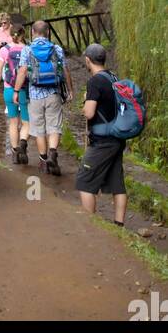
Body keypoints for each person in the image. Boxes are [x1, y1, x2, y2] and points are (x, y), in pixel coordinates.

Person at [76, 43, 127, 225]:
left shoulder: (95, 81)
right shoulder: (114, 78)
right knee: (117, 183)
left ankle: (92, 226)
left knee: (84, 180)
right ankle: (118, 224)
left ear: (88, 60)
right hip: (117, 138)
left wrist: (84, 105)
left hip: (102, 141)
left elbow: (89, 113)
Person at [13, 21, 73, 176]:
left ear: (33, 31)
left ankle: (43, 161)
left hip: (35, 94)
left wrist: (16, 90)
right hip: (54, 93)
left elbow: (22, 72)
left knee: (39, 130)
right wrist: (70, 90)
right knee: (54, 126)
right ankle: (53, 153)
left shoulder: (27, 49)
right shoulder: (57, 48)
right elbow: (65, 70)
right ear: (48, 32)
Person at [0, 24, 30, 163]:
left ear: (10, 35)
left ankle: (15, 153)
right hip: (24, 89)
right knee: (26, 122)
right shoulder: (28, 49)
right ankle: (23, 144)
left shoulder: (4, 50)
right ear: (23, 35)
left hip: (9, 89)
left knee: (13, 122)